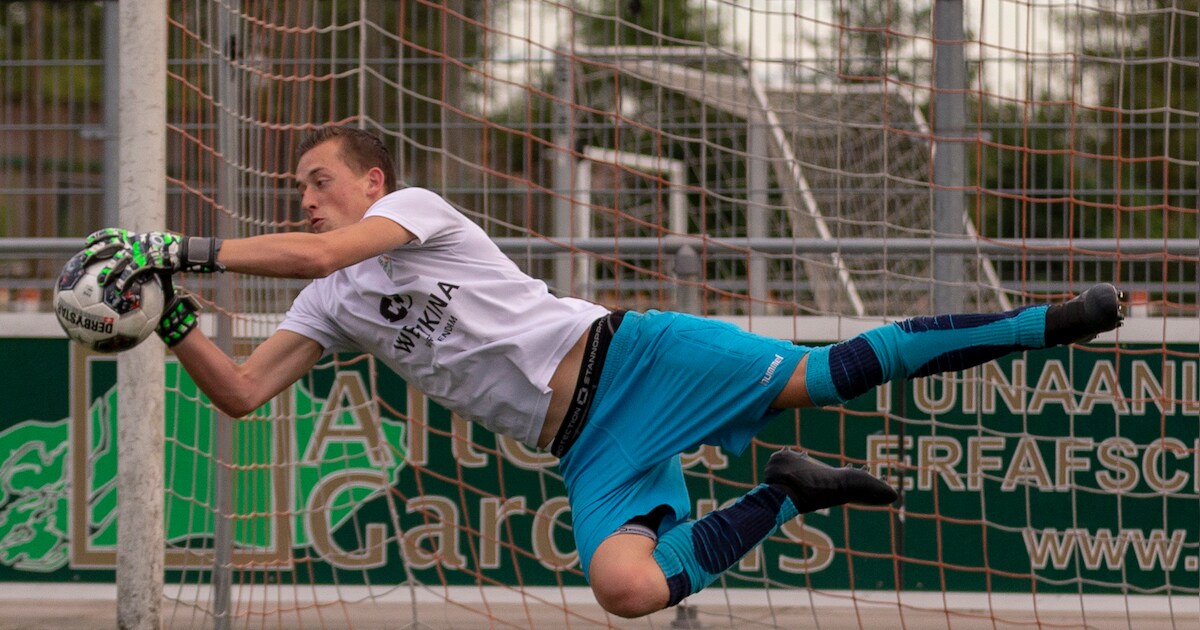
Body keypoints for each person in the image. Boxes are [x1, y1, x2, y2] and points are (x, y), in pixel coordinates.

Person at [81, 126, 1123, 618]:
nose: (307, 202)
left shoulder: (420, 216)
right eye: (299, 190)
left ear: (373, 182)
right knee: (625, 587)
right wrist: (171, 320)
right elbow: (240, 395)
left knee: (827, 375)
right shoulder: (326, 304)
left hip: (635, 358)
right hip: (585, 447)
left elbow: (311, 253)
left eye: (319, 182)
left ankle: (1048, 320)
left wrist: (182, 252)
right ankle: (783, 495)